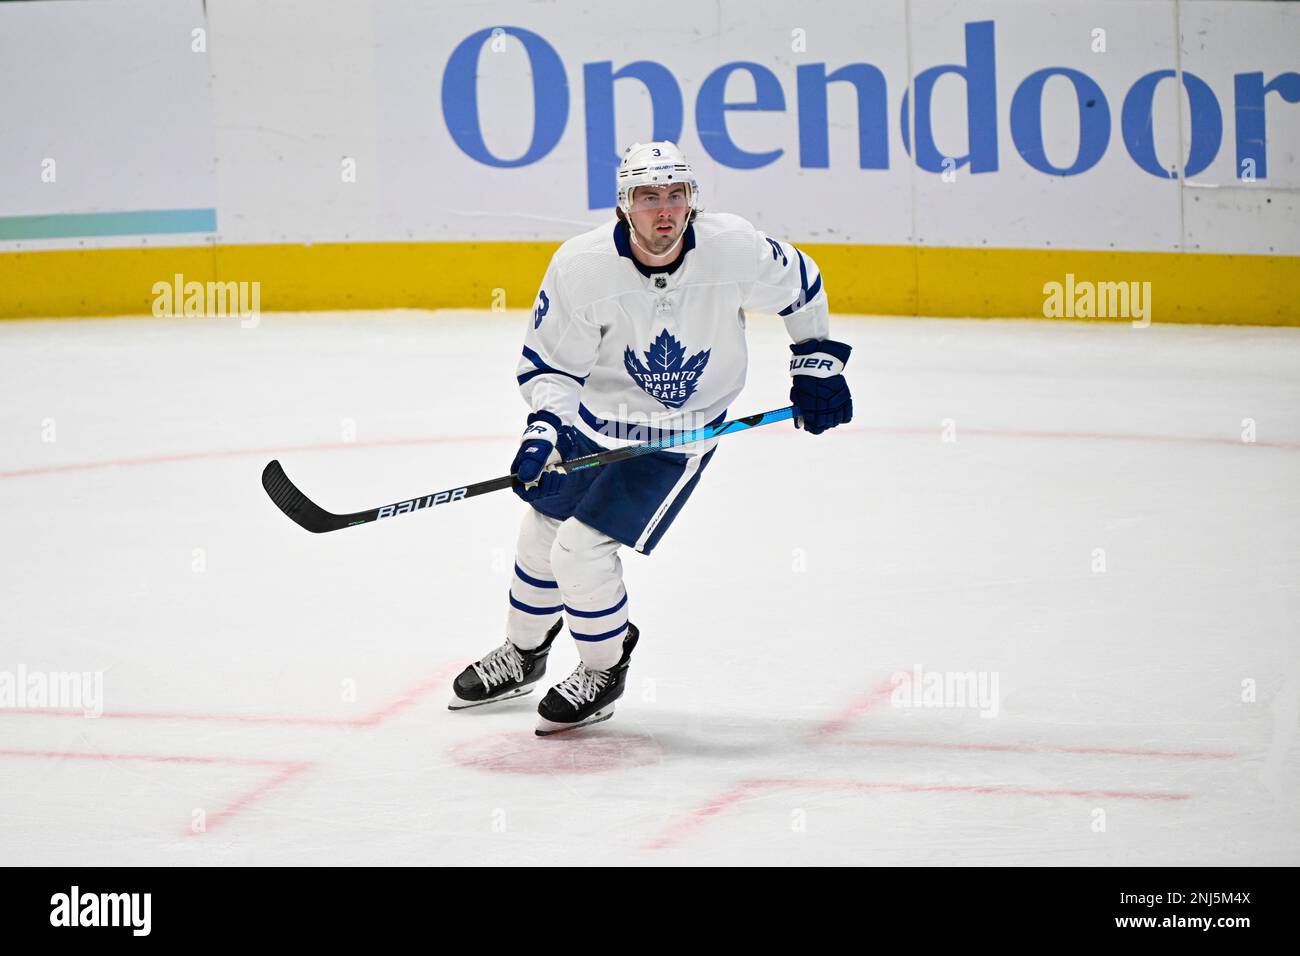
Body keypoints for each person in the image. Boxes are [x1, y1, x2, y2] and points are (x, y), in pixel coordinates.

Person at [449, 141, 853, 735]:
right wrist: (544, 428)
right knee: (541, 535)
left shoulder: (731, 247)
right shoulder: (582, 266)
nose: (664, 211)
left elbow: (802, 284)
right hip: (592, 424)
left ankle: (602, 669)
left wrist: (816, 360)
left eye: (676, 195)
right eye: (648, 197)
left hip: (677, 436)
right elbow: (551, 367)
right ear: (623, 206)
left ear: (693, 201)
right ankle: (525, 653)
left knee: (581, 551)